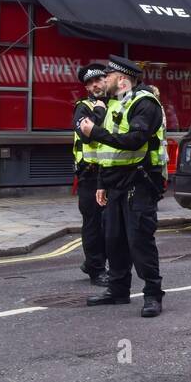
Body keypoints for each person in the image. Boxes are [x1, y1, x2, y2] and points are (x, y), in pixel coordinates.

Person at [78, 55, 167, 318]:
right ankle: (118, 290)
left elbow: (134, 141)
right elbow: (108, 150)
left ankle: (152, 294)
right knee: (113, 239)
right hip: (114, 184)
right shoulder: (115, 103)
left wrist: (95, 131)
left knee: (139, 241)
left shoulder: (145, 104)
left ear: (122, 79)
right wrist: (102, 183)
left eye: (108, 76)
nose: (104, 80)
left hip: (139, 183)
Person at [73, 63, 109, 287]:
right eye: (90, 82)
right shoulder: (83, 107)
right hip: (90, 174)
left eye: (98, 80)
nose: (95, 85)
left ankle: (92, 261)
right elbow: (86, 136)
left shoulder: (116, 104)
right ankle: (96, 269)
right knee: (94, 223)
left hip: (111, 173)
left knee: (110, 224)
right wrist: (99, 111)